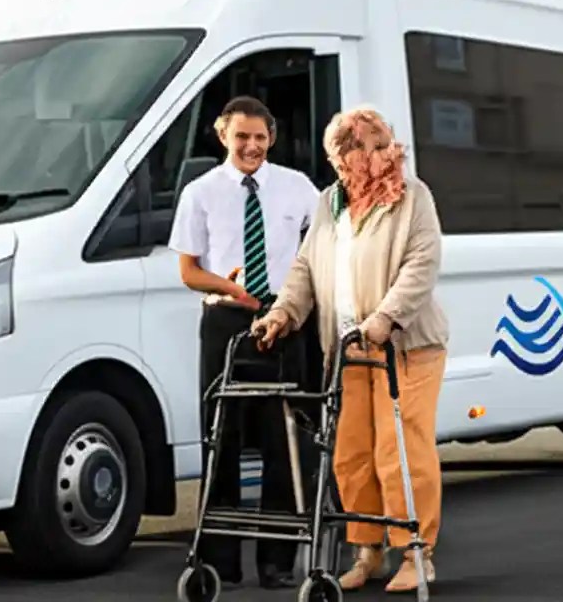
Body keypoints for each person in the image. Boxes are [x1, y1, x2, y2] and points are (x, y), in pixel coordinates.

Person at [251, 105, 449, 593]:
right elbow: (305, 269)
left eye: (358, 149)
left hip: (405, 347)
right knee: (351, 454)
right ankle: (368, 551)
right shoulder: (329, 203)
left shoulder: (412, 197)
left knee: (397, 450)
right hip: (345, 350)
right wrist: (282, 313)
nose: (347, 161)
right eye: (340, 154)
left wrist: (384, 319)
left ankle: (416, 553)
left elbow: (422, 264)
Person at [169, 95, 321, 589]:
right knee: (223, 438)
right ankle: (220, 562)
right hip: (227, 323)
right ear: (223, 137)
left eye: (259, 137)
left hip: (283, 320)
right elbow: (189, 271)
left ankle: (277, 564)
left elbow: (324, 244)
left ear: (271, 138)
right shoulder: (200, 192)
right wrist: (229, 288)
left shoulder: (298, 188)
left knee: (285, 439)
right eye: (242, 137)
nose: (251, 146)